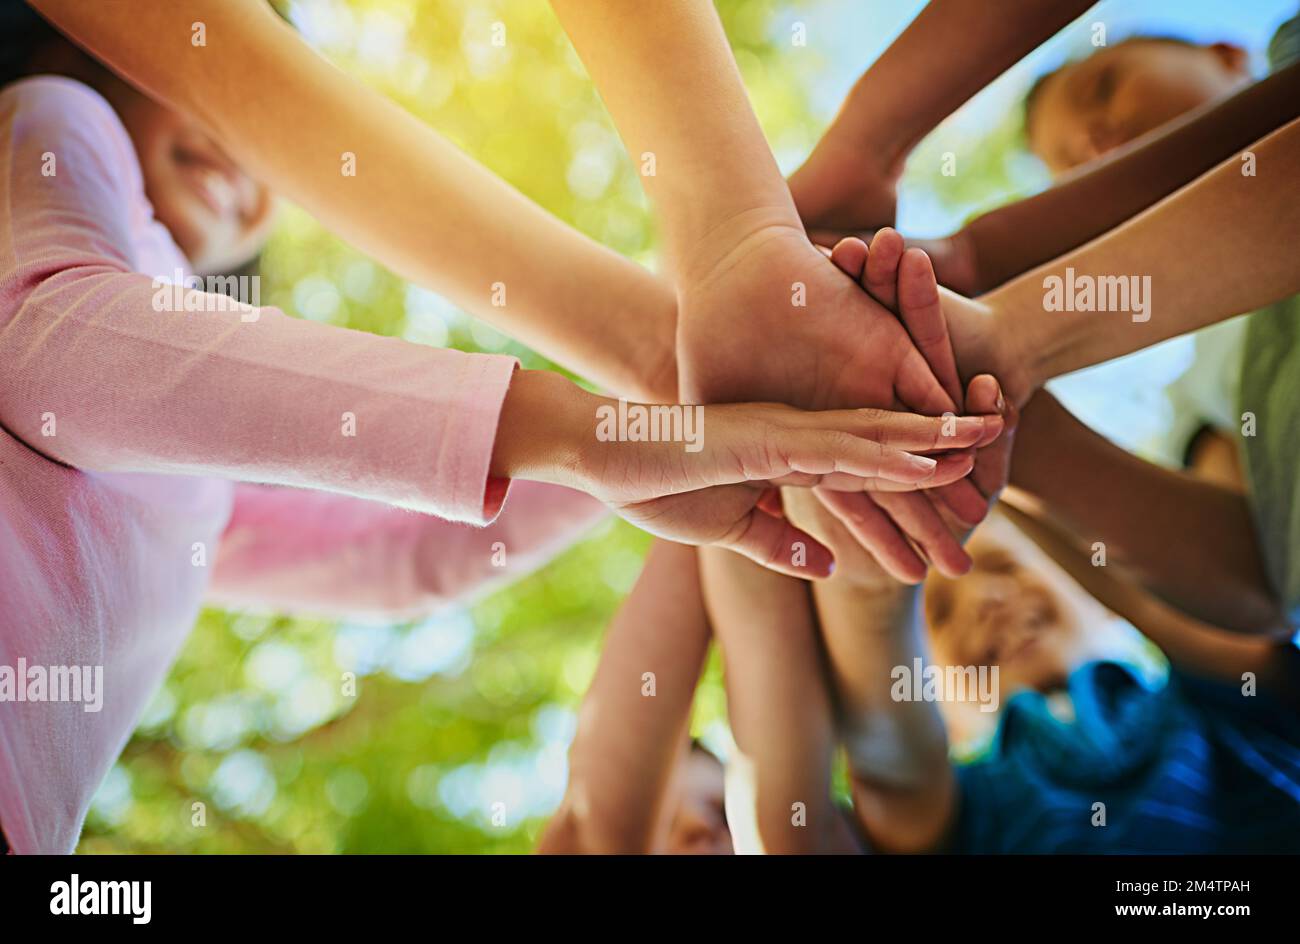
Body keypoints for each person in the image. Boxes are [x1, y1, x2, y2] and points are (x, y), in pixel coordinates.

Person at [0, 8, 1003, 855]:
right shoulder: (54, 118)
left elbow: (407, 555)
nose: (241, 165)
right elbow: (56, 350)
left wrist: (686, 430)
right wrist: (594, 430)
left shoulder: (198, 488)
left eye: (268, 172)